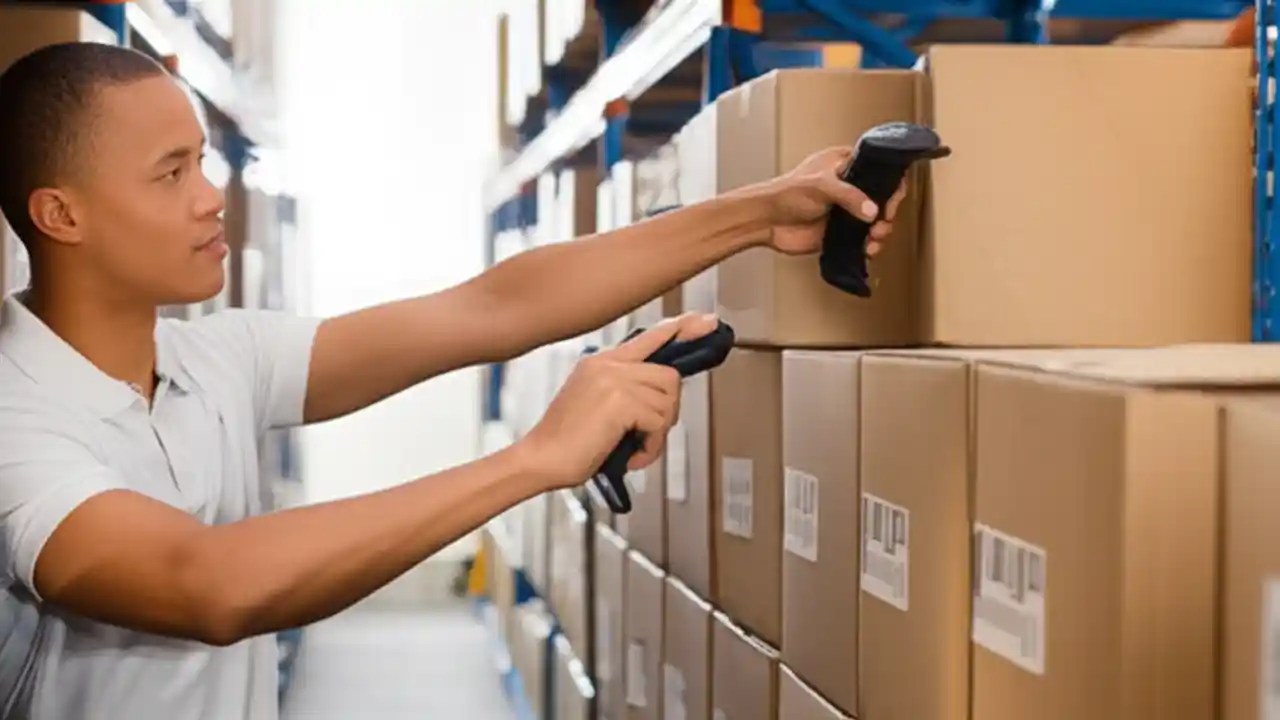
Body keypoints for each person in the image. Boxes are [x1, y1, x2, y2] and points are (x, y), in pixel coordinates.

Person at [0, 42, 906, 719]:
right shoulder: (16, 421)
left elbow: (491, 309)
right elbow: (209, 586)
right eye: (170, 174)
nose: (211, 197)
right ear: (60, 214)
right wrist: (534, 459)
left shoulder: (214, 358)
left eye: (202, 161)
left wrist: (758, 212)